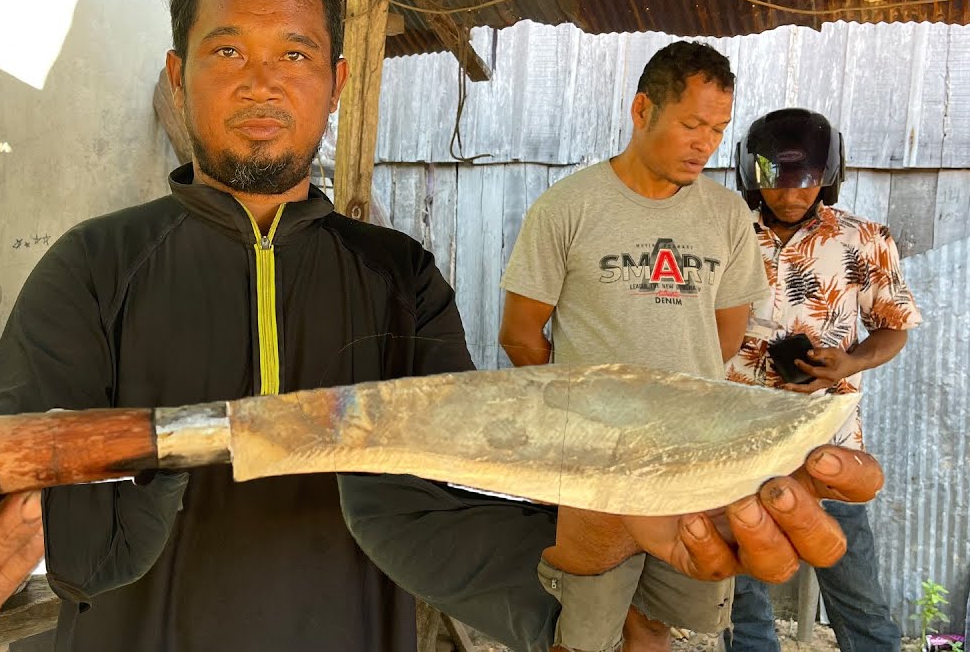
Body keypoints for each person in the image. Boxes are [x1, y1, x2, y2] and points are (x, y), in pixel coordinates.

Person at [0, 0, 475, 650]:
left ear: (336, 81)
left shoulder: (403, 279)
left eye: (294, 54)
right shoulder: (95, 265)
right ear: (178, 75)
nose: (261, 82)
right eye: (228, 51)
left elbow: (467, 491)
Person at [339, 42, 887, 652]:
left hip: (689, 454)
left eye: (717, 128)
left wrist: (680, 389)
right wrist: (586, 407)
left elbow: (726, 336)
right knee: (583, 622)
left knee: (661, 617)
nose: (704, 142)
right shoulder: (568, 208)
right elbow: (520, 336)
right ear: (642, 109)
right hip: (595, 461)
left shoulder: (727, 214)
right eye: (690, 123)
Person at [724, 108, 920, 652]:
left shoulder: (863, 240)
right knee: (740, 594)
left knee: (854, 586)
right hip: (736, 437)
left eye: (805, 182)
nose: (790, 195)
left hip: (827, 443)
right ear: (752, 175)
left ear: (828, 176)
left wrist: (849, 363)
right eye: (776, 182)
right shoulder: (723, 234)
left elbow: (893, 326)